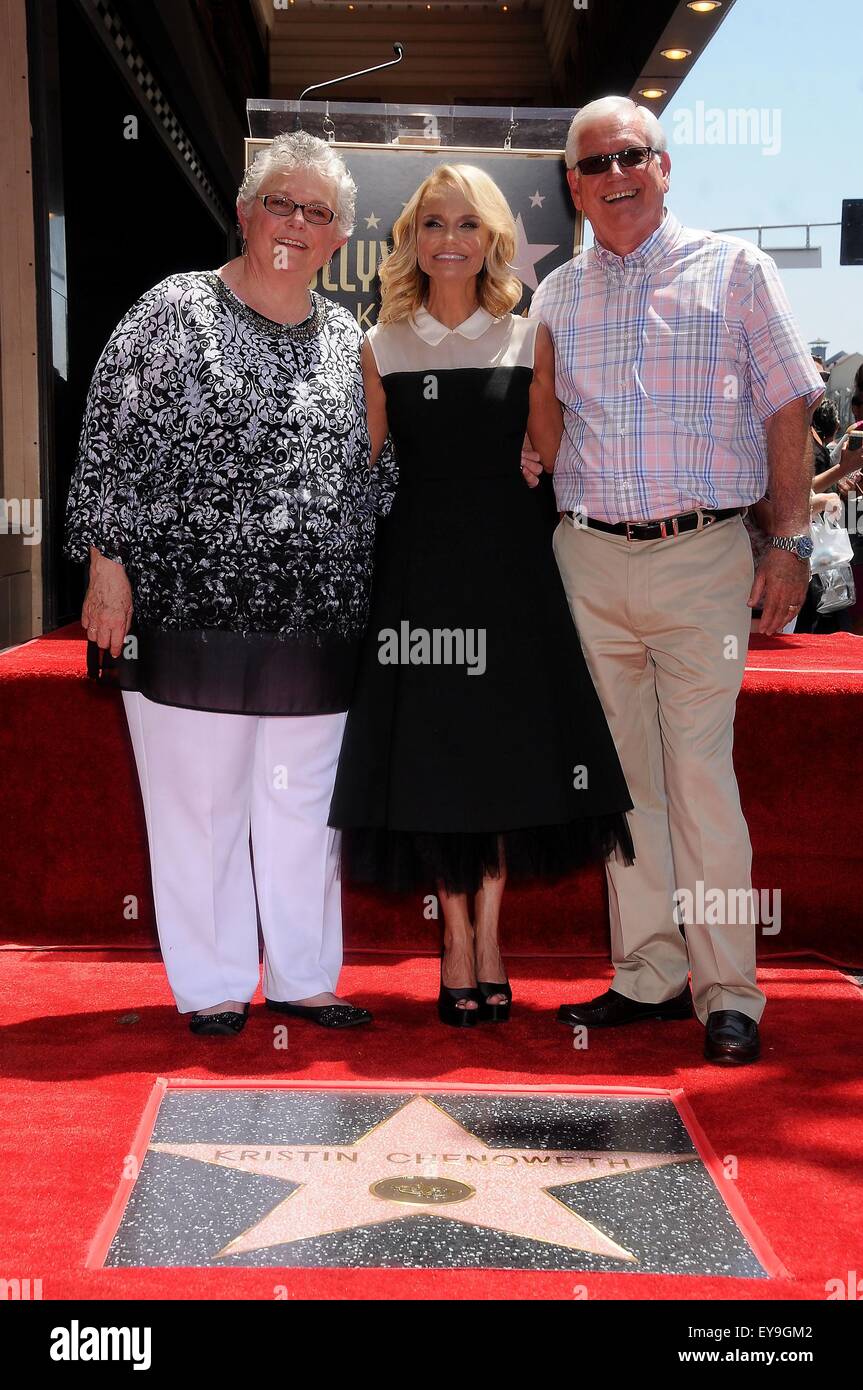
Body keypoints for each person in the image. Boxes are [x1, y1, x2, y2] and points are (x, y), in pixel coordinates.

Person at [65, 132, 394, 1036]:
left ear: (339, 238)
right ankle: (211, 984)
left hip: (318, 617)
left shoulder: (349, 340)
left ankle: (301, 977)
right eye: (279, 203)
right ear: (246, 213)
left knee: (302, 810)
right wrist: (105, 561)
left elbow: (377, 474)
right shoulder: (174, 309)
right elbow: (108, 437)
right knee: (198, 810)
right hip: (184, 611)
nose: (295, 222)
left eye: (316, 211)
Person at [526, 96, 824, 1065]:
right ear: (571, 185)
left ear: (664, 166)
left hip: (702, 556)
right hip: (588, 559)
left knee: (699, 776)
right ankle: (647, 973)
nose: (613, 175)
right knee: (622, 782)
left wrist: (789, 541)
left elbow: (789, 406)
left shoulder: (735, 271)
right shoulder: (554, 297)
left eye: (630, 156)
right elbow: (543, 430)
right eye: (593, 162)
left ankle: (727, 988)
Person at [329, 164, 634, 1027]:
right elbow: (363, 468)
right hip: (418, 573)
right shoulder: (380, 344)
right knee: (432, 754)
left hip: (510, 572)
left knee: (499, 752)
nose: (449, 239)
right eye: (433, 224)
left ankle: (489, 939)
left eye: (467, 224)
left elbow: (551, 453)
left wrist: (536, 462)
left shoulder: (526, 334)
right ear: (412, 241)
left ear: (493, 238)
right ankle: (453, 941)